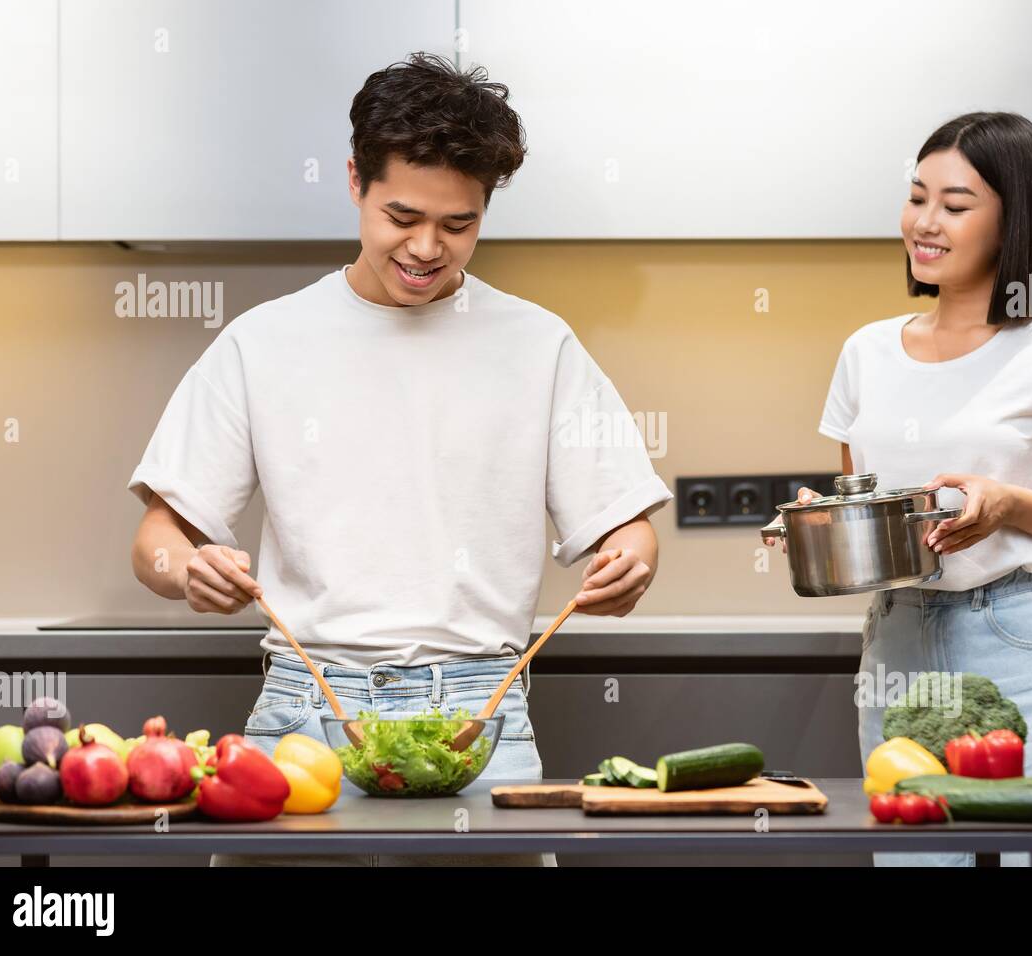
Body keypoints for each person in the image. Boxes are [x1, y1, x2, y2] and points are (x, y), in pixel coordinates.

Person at [127, 54, 671, 866]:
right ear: (354, 181)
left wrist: (630, 562)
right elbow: (157, 539)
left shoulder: (539, 345)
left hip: (478, 721)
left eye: (459, 225)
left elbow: (625, 529)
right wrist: (185, 569)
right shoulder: (262, 342)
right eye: (402, 216)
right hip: (309, 718)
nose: (427, 248)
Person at [777, 112, 1032, 866]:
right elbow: (874, 505)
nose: (925, 221)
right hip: (899, 639)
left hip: (1019, 637)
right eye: (917, 198)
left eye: (955, 205)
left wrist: (1011, 505)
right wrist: (827, 524)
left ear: (1014, 218)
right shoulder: (867, 352)